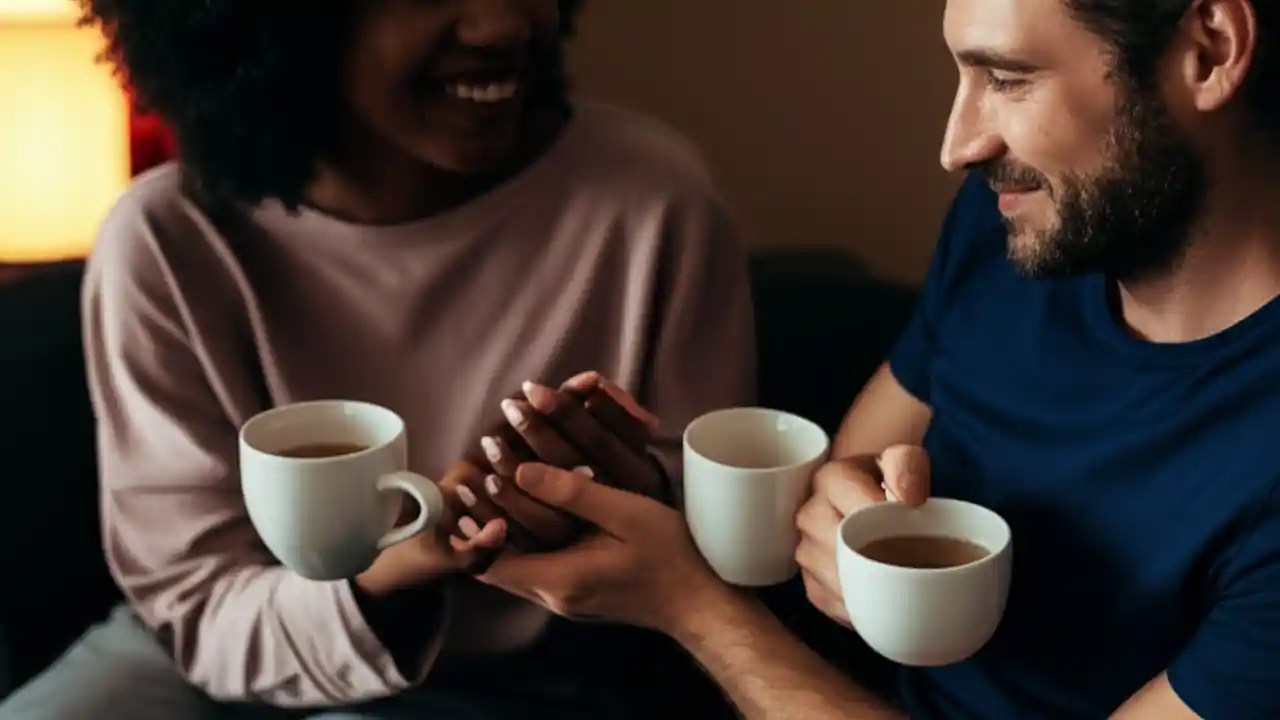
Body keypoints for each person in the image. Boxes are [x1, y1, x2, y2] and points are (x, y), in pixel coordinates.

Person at [475, 0, 1280, 717]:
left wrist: (689, 606)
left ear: (1210, 49)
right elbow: (846, 469)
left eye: (1006, 77)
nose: (958, 145)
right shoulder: (1012, 227)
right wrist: (837, 510)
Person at [0, 0, 756, 718]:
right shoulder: (166, 238)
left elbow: (709, 560)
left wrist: (623, 505)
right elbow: (196, 601)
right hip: (207, 649)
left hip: (520, 680)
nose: (503, 22)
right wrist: (397, 572)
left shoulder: (655, 201)